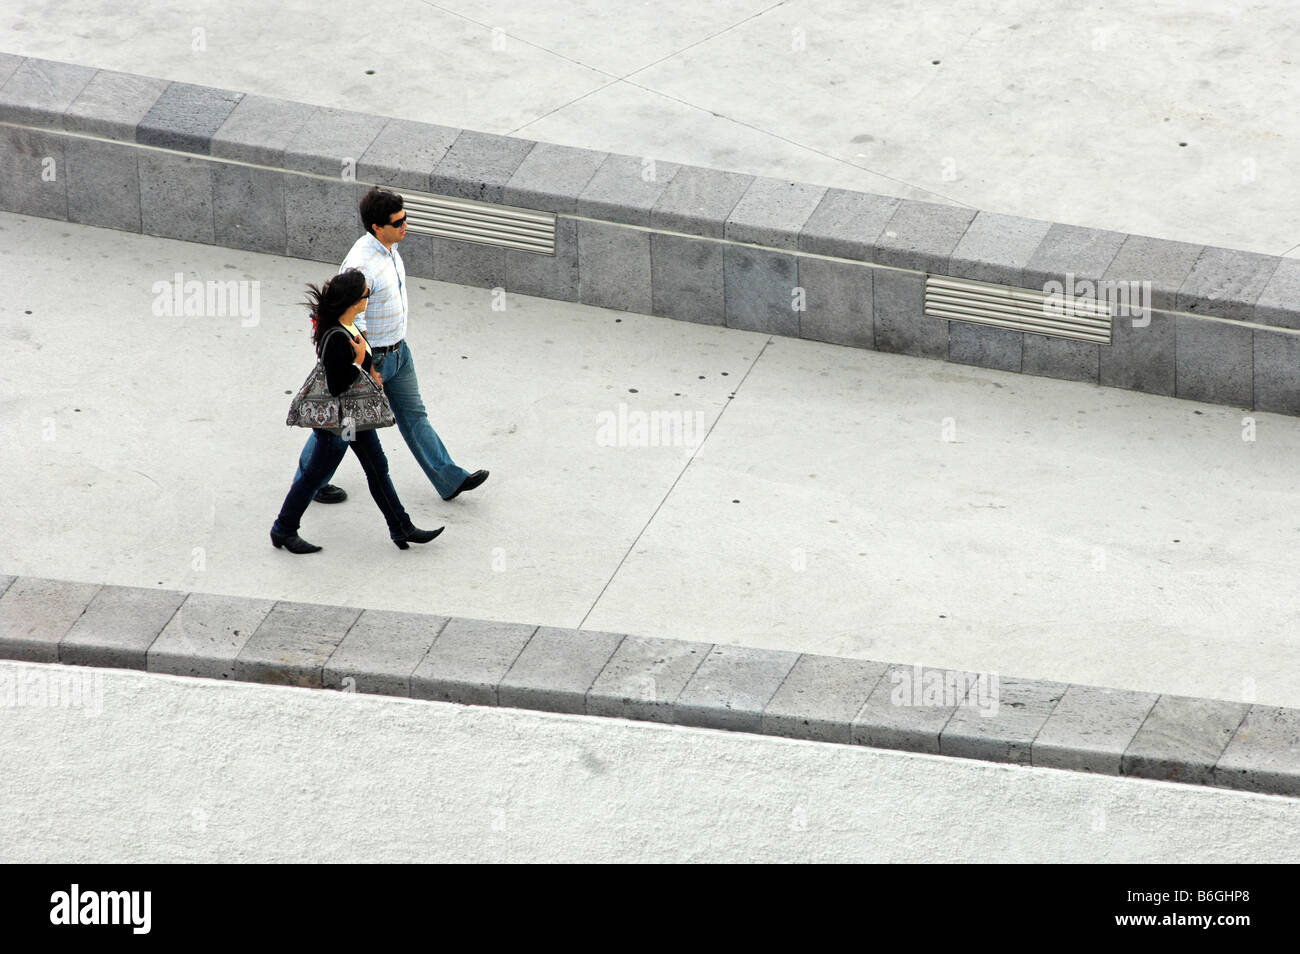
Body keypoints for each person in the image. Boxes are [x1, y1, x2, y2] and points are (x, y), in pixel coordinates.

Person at [303, 186, 488, 506]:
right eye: (398, 221)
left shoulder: (388, 248)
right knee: (338, 429)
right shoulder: (360, 265)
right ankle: (309, 483)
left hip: (399, 354)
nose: (406, 225)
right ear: (377, 226)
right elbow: (348, 321)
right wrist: (367, 365)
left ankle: (449, 478)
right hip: (370, 360)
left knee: (415, 416)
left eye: (405, 218)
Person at [271, 270, 444, 553]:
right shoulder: (336, 335)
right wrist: (360, 359)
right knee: (315, 476)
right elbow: (337, 384)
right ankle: (283, 529)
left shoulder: (350, 325)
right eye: (366, 294)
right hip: (337, 423)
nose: (369, 298)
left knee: (378, 469)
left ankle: (401, 527)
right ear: (354, 300)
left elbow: (360, 364)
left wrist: (370, 367)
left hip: (356, 418)